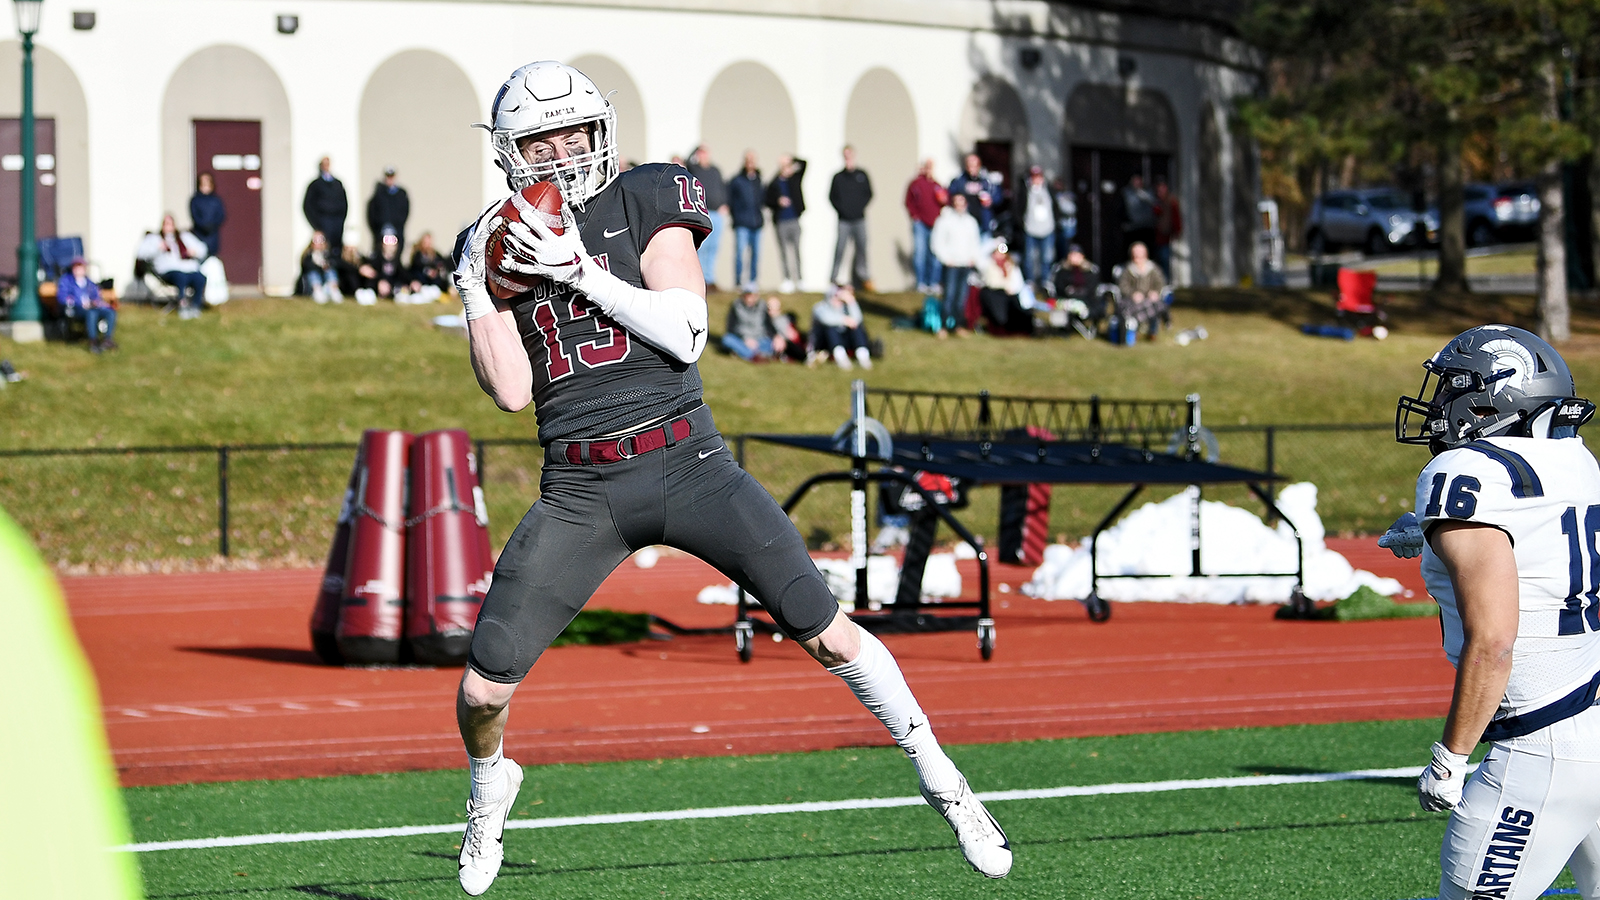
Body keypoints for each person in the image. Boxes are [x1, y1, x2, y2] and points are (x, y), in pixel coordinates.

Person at [452, 60, 1009, 896]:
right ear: (512, 153)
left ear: (600, 131)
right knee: (480, 688)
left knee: (827, 631)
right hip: (581, 486)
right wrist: (474, 290)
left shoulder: (648, 195)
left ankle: (945, 781)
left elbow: (685, 333)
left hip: (689, 461)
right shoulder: (494, 238)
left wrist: (577, 271)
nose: (563, 153)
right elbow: (510, 391)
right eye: (541, 140)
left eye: (573, 132)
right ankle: (490, 787)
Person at [1381, 325, 1600, 900]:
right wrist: (1432, 536)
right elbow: (1539, 548)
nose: (1438, 407)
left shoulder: (1464, 475)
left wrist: (1451, 757)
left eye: (1452, 389)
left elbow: (1496, 638)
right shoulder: (1575, 460)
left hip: (1538, 743)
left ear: (1492, 396)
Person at [137, 214, 208, 320]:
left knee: (200, 278)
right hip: (167, 271)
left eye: (170, 224)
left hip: (188, 268)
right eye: (166, 224)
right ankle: (182, 304)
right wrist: (157, 248)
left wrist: (194, 252)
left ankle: (195, 306)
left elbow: (203, 249)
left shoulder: (184, 237)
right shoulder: (155, 239)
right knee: (180, 277)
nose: (168, 227)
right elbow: (141, 254)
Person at [930, 193, 982, 336]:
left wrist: (973, 258)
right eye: (957, 202)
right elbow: (937, 242)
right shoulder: (945, 220)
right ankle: (943, 326)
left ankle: (959, 325)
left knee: (961, 297)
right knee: (949, 296)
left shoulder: (970, 222)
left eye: (962, 202)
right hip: (951, 265)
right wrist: (946, 258)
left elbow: (975, 242)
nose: (960, 206)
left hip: (965, 264)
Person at [828, 145, 873, 291]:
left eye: (850, 154)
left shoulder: (862, 175)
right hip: (844, 220)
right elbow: (832, 197)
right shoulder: (838, 177)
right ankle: (834, 278)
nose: (848, 158)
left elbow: (869, 194)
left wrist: (859, 208)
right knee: (840, 248)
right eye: (845, 155)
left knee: (862, 248)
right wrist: (843, 210)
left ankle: (863, 278)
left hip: (859, 219)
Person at [685, 145, 727, 291]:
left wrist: (724, 203)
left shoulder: (715, 170)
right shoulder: (694, 169)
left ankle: (710, 278)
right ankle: (700, 278)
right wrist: (696, 147)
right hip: (703, 212)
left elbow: (722, 188)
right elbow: (687, 160)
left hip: (717, 213)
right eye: (701, 153)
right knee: (702, 247)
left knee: (713, 248)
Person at [765, 154, 806, 293]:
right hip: (781, 222)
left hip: (794, 220)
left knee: (796, 251)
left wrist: (790, 158)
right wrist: (778, 201)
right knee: (784, 252)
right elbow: (767, 199)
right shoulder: (774, 182)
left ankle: (799, 279)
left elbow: (804, 163)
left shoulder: (794, 179)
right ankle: (787, 279)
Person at [904, 159, 946, 295]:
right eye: (926, 167)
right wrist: (914, 215)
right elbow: (908, 201)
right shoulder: (915, 184)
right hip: (920, 223)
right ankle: (921, 283)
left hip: (934, 224)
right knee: (920, 254)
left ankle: (933, 282)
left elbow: (944, 201)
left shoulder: (937, 185)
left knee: (934, 254)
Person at [57, 257, 116, 352]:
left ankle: (107, 339)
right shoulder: (66, 281)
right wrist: (78, 302)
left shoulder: (89, 283)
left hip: (92, 307)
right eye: (76, 267)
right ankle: (93, 341)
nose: (79, 270)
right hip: (76, 308)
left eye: (81, 267)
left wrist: (96, 302)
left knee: (110, 312)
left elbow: (96, 295)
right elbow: (62, 298)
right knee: (92, 313)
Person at [809, 283, 873, 370]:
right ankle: (840, 356)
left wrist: (851, 302)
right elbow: (826, 319)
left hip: (845, 340)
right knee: (831, 328)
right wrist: (845, 320)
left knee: (856, 328)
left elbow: (857, 320)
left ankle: (862, 355)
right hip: (825, 343)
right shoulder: (820, 307)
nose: (838, 302)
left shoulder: (846, 308)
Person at [1115, 241, 1168, 341]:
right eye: (1135, 256)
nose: (1138, 258)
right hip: (1133, 300)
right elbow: (1123, 286)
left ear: (1145, 255)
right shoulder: (1127, 270)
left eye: (1140, 256)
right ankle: (1134, 331)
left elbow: (1160, 283)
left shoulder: (1153, 269)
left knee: (1157, 305)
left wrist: (1155, 292)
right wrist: (1133, 294)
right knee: (1128, 309)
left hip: (1149, 299)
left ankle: (1152, 332)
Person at [727, 151, 764, 291]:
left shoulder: (758, 180)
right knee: (740, 254)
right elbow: (730, 200)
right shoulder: (737, 180)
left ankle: (753, 281)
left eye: (753, 160)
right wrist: (736, 216)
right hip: (742, 223)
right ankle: (738, 282)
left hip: (757, 223)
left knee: (755, 255)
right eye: (748, 160)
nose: (750, 163)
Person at [303, 156, 349, 255]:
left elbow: (344, 204)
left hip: (337, 223)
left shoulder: (337, 184)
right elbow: (308, 206)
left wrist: (341, 220)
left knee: (336, 250)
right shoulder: (315, 185)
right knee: (324, 251)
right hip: (323, 222)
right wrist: (317, 225)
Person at [1021, 166, 1056, 287]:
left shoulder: (1049, 190)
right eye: (1034, 177)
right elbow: (1018, 209)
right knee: (1029, 258)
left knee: (1046, 257)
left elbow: (1055, 207)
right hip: (1030, 229)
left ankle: (1045, 281)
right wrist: (1022, 223)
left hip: (1047, 229)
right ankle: (1030, 281)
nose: (1036, 180)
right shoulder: (1025, 191)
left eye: (1038, 177)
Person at [367, 167, 411, 253]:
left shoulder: (401, 194)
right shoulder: (378, 193)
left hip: (397, 228)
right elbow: (372, 212)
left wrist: (398, 222)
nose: (390, 179)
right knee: (381, 251)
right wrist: (378, 224)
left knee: (396, 252)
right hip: (381, 229)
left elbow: (405, 210)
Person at [356, 229, 407, 304]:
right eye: (387, 241)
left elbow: (402, 274)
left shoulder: (396, 260)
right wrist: (379, 281)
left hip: (391, 286)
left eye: (393, 241)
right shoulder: (376, 258)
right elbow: (371, 272)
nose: (390, 245)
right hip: (376, 285)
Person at [721, 290, 773, 361]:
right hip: (742, 339)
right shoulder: (736, 306)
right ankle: (753, 356)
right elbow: (731, 328)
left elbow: (769, 326)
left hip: (760, 339)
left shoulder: (763, 306)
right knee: (727, 339)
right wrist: (745, 339)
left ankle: (750, 353)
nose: (750, 299)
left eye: (752, 296)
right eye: (747, 296)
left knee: (769, 342)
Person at [949, 153, 994, 235]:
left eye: (974, 165)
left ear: (979, 166)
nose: (971, 168)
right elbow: (951, 194)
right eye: (969, 165)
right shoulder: (959, 180)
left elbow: (998, 196)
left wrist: (991, 200)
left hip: (983, 221)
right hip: (965, 222)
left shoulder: (986, 181)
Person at [188, 172, 226, 260]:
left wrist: (212, 226)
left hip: (212, 235)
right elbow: (194, 215)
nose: (205, 187)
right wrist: (202, 226)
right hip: (200, 234)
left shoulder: (216, 200)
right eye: (203, 184)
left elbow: (221, 215)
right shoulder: (195, 200)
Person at [299, 230, 342, 304]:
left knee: (331, 271)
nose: (319, 243)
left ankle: (334, 291)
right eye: (316, 240)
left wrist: (327, 265)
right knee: (313, 274)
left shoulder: (329, 254)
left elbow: (337, 264)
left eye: (321, 240)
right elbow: (307, 267)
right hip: (312, 283)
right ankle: (318, 292)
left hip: (326, 280)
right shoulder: (308, 255)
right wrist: (320, 266)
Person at [1152, 179, 1182, 279]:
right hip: (1158, 239)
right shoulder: (1157, 203)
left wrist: (1176, 234)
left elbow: (1176, 220)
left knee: (1165, 261)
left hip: (1166, 239)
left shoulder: (1171, 203)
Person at [408, 232, 452, 299]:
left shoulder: (435, 254)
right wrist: (428, 271)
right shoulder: (417, 255)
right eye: (425, 242)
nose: (427, 245)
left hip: (434, 283)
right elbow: (416, 267)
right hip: (422, 282)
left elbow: (442, 263)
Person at [765, 294, 806, 362]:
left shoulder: (783, 318)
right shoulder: (767, 321)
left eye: (775, 309)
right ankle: (806, 358)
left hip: (792, 339)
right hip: (782, 343)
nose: (772, 312)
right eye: (770, 309)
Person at [1122, 173, 1155, 250]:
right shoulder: (1126, 193)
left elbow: (1154, 204)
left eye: (1139, 180)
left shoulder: (1148, 193)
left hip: (1146, 229)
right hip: (1132, 229)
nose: (1137, 182)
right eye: (1135, 180)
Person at [1052, 177, 1077, 259]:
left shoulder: (1068, 195)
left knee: (1067, 247)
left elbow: (1072, 209)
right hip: (1057, 226)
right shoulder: (1053, 196)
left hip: (1068, 226)